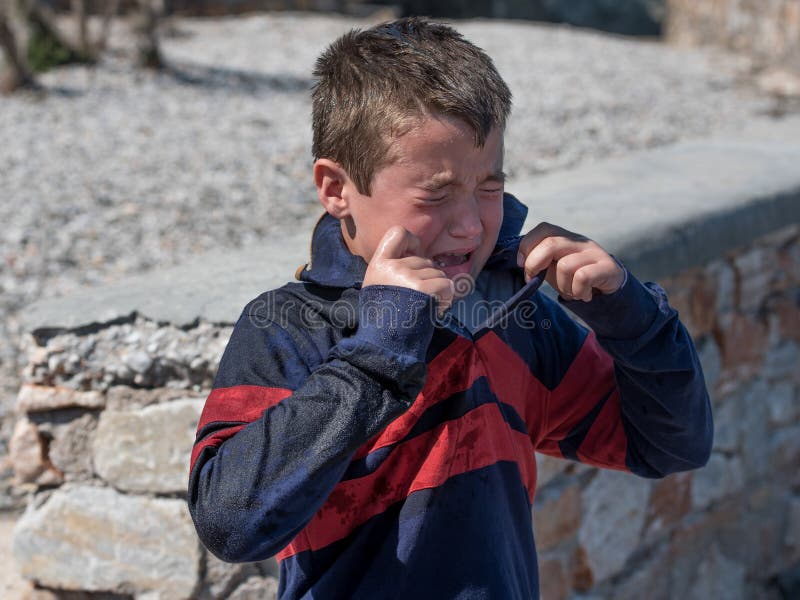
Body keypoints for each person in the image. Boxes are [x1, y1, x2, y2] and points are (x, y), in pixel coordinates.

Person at [188, 17, 713, 599]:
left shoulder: (511, 316)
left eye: (490, 187)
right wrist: (379, 351)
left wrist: (632, 318)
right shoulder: (290, 327)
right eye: (436, 193)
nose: (469, 227)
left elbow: (669, 444)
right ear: (337, 189)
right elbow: (229, 525)